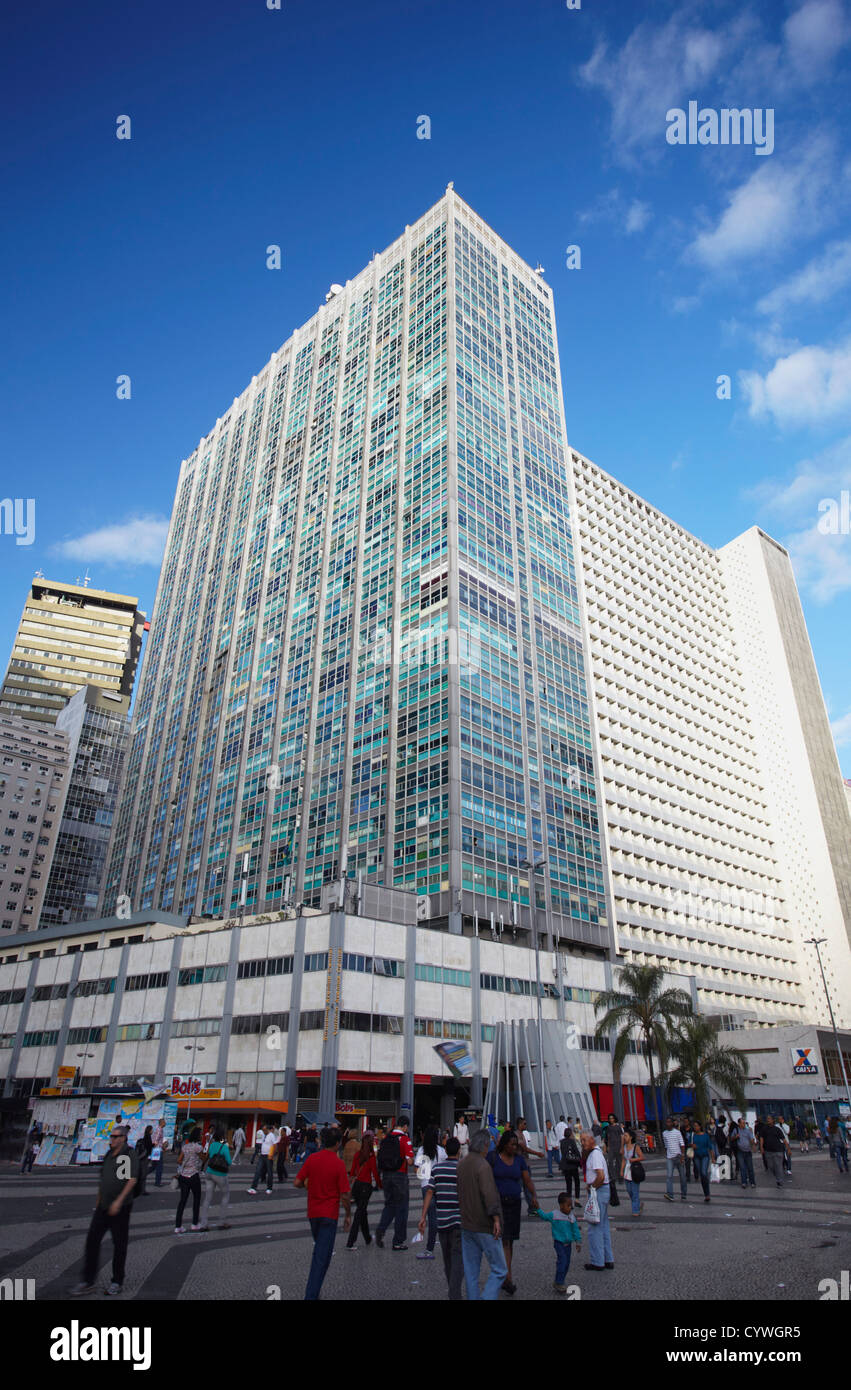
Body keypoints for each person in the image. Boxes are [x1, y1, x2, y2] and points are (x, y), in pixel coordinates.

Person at [70, 1125, 139, 1297]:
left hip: (120, 1207)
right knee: (92, 1240)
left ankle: (117, 1281)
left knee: (119, 1244)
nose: (112, 1139)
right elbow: (104, 1178)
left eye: (116, 1137)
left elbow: (130, 1180)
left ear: (123, 1138)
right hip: (103, 1206)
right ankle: (88, 1281)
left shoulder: (127, 1154)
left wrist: (119, 1201)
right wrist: (99, 1199)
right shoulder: (109, 1154)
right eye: (111, 1136)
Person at [294, 1126, 352, 1300]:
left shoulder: (312, 1159)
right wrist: (348, 1214)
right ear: (337, 1144)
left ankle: (315, 1292)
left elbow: (297, 1182)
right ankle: (310, 1295)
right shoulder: (338, 1164)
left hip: (313, 1214)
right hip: (329, 1215)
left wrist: (308, 1185)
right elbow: (345, 1195)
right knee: (321, 1258)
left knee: (322, 1254)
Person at [457, 1129, 507, 1300]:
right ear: (485, 1145)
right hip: (483, 1226)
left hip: (466, 1224)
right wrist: (496, 1219)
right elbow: (489, 1194)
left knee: (471, 1272)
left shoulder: (462, 1164)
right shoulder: (483, 1165)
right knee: (500, 1269)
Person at [487, 1129, 539, 1295]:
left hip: (514, 1203)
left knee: (509, 1240)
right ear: (504, 1145)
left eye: (516, 1145)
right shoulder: (493, 1158)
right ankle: (504, 1276)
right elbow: (484, 1177)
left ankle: (506, 1275)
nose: (515, 1147)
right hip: (498, 1204)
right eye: (512, 1145)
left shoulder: (519, 1160)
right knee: (501, 1240)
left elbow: (526, 1179)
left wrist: (534, 1196)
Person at [418, 1135, 463, 1298]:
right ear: (459, 1151)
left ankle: (453, 1288)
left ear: (445, 1150)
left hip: (442, 1222)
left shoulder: (437, 1170)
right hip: (459, 1221)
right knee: (458, 1257)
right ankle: (454, 1292)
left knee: (448, 1259)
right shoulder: (462, 1168)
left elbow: (430, 1191)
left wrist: (423, 1217)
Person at [375, 1115, 415, 1250]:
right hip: (400, 1175)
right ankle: (398, 1241)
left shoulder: (386, 1138)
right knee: (402, 1208)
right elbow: (410, 1161)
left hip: (386, 1175)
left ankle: (381, 1229)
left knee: (390, 1204)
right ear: (405, 1126)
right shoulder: (404, 1139)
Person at [535, 1191, 582, 1294]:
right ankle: (559, 1282)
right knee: (563, 1261)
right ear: (561, 1205)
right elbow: (544, 1216)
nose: (570, 1208)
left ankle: (560, 1280)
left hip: (568, 1244)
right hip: (559, 1243)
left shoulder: (571, 1217)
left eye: (571, 1206)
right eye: (568, 1205)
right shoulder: (555, 1215)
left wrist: (578, 1242)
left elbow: (575, 1230)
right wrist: (537, 1208)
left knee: (566, 1264)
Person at [581, 1131, 613, 1271]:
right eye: (581, 1141)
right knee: (604, 1226)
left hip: (599, 1192)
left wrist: (592, 1188)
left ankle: (597, 1261)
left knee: (594, 1227)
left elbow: (600, 1176)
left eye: (584, 1140)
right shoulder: (597, 1153)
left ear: (592, 1140)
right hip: (603, 1191)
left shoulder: (594, 1155)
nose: (582, 1143)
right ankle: (608, 1259)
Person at [414, 1125, 446, 1259]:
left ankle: (429, 1248)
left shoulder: (422, 1150)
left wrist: (424, 1174)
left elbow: (417, 1169)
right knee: (437, 1217)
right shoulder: (441, 1151)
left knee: (431, 1216)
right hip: (438, 1185)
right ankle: (440, 1244)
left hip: (426, 1185)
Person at [346, 1130, 381, 1248]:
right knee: (359, 1213)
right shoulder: (371, 1158)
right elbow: (375, 1173)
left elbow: (353, 1171)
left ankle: (367, 1238)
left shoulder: (358, 1155)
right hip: (366, 1186)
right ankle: (351, 1241)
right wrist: (380, 1185)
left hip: (357, 1186)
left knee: (362, 1212)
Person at [174, 1126, 205, 1233]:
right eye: (200, 1134)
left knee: (182, 1201)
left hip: (183, 1176)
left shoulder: (185, 1147)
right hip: (194, 1175)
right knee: (196, 1200)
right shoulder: (198, 1147)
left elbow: (179, 1160)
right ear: (197, 1136)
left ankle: (178, 1226)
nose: (201, 1136)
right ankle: (194, 1223)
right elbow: (203, 1158)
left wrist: (185, 1165)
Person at [662, 1116, 687, 1202]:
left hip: (678, 1156)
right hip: (670, 1157)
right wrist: (667, 1153)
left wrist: (682, 1155)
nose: (668, 1124)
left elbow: (682, 1144)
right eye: (667, 1122)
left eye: (669, 1122)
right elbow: (665, 1145)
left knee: (682, 1177)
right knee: (669, 1176)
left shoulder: (677, 1132)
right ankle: (670, 1194)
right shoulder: (664, 1133)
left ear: (673, 1123)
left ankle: (683, 1194)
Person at [621, 1128, 645, 1217]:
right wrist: (621, 1170)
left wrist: (634, 1159)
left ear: (631, 1137)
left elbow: (642, 1157)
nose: (624, 1137)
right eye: (624, 1136)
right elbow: (623, 1159)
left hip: (634, 1171)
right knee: (629, 1190)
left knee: (634, 1192)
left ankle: (635, 1211)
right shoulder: (624, 1147)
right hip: (627, 1172)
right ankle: (638, 1204)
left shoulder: (636, 1147)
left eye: (626, 1136)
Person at [760, 1114, 790, 1187]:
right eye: (767, 1118)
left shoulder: (777, 1129)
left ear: (773, 1120)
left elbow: (784, 1139)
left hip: (778, 1150)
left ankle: (779, 1181)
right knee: (770, 1166)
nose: (768, 1120)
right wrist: (761, 1147)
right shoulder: (764, 1129)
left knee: (778, 1166)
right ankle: (778, 1177)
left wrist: (788, 1149)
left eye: (769, 1118)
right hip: (768, 1151)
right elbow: (761, 1138)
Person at [691, 1120, 717, 1202]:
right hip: (696, 1156)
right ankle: (706, 1193)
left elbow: (710, 1147)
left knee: (703, 1173)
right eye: (694, 1126)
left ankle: (707, 1193)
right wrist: (692, 1146)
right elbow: (689, 1144)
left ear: (700, 1126)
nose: (695, 1127)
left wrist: (713, 1158)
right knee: (701, 1174)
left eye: (697, 1126)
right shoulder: (693, 1136)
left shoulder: (705, 1136)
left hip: (705, 1156)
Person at [248, 1125, 276, 1195]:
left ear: (267, 1129)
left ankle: (269, 1188)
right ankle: (253, 1187)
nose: (264, 1131)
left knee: (269, 1172)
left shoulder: (271, 1135)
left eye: (265, 1130)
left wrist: (272, 1154)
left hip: (268, 1155)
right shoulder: (264, 1135)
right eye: (263, 1130)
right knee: (258, 1170)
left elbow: (275, 1145)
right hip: (262, 1155)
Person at [559, 1126, 582, 1200]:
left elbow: (563, 1153)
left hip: (565, 1166)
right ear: (570, 1134)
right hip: (573, 1165)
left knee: (568, 1184)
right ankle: (577, 1199)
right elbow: (576, 1152)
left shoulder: (562, 1142)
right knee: (577, 1182)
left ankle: (569, 1200)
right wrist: (580, 1161)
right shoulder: (572, 1141)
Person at [736, 1117, 757, 1189]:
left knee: (750, 1167)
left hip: (748, 1151)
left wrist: (753, 1145)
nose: (744, 1124)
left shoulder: (748, 1130)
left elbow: (751, 1139)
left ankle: (752, 1182)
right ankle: (744, 1182)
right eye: (742, 1123)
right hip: (740, 1151)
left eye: (744, 1123)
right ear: (739, 1124)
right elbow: (731, 1138)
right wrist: (735, 1137)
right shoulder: (736, 1130)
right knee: (742, 1168)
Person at [136, 1125, 153, 1197]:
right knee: (143, 1175)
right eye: (152, 1130)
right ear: (149, 1130)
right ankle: (142, 1190)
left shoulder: (145, 1137)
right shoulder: (148, 1137)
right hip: (144, 1157)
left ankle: (140, 1189)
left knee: (141, 1174)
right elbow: (148, 1148)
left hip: (142, 1157)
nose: (152, 1131)